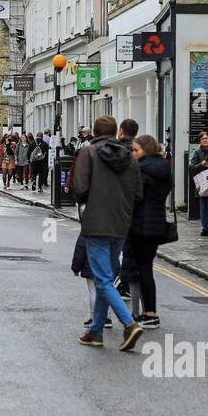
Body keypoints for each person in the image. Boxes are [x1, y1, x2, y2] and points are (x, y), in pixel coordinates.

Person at [73, 115, 144, 351]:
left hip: (96, 223)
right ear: (116, 132)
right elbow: (137, 194)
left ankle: (129, 323)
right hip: (121, 224)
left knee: (102, 279)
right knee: (106, 277)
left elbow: (80, 188)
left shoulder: (89, 153)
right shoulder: (131, 158)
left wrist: (90, 203)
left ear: (94, 132)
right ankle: (95, 331)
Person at [124, 134, 173, 329]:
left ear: (145, 150)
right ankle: (149, 312)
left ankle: (150, 314)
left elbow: (135, 197)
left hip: (140, 224)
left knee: (142, 270)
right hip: (157, 223)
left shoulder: (142, 170)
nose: (134, 154)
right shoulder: (163, 169)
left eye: (136, 150)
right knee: (146, 268)